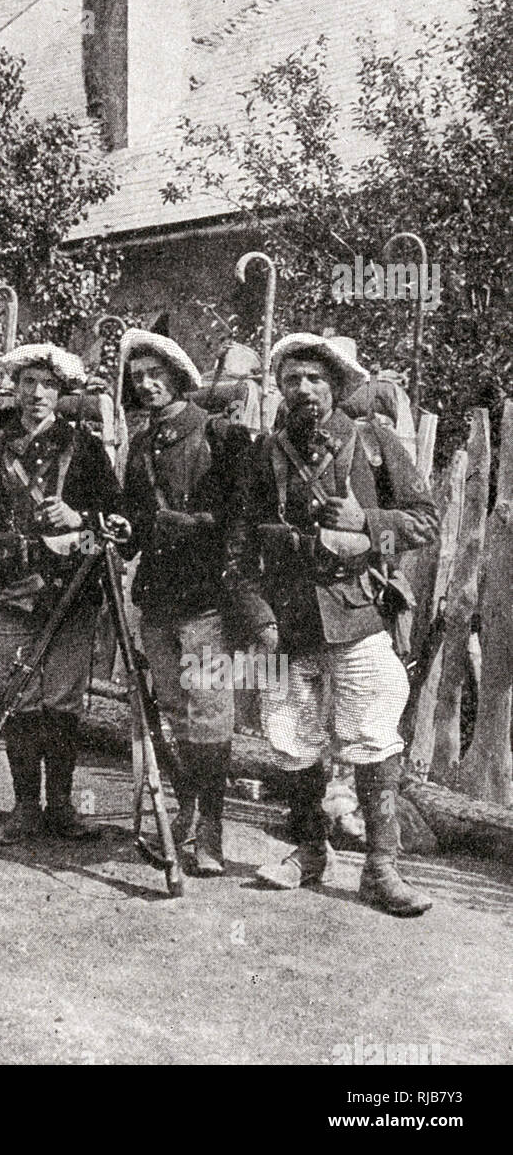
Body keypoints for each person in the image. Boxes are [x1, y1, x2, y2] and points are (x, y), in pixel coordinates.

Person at [239, 333, 438, 916]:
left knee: (374, 735)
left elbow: (424, 523)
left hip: (358, 614)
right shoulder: (265, 455)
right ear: (280, 389)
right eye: (293, 379)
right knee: (292, 739)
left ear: (335, 386)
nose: (304, 389)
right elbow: (239, 547)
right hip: (289, 624)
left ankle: (380, 868)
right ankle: (308, 850)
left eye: (315, 379)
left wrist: (366, 519)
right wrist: (259, 620)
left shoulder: (373, 442)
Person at [0, 343, 122, 844]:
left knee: (63, 702)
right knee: (19, 701)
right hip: (10, 594)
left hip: (69, 595)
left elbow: (116, 528)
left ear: (61, 393)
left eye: (48, 385)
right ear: (15, 387)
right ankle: (25, 807)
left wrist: (80, 521)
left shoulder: (86, 449)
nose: (37, 394)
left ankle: (62, 806)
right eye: (28, 382)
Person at [118, 329, 254, 876]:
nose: (147, 385)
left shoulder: (218, 437)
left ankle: (211, 831)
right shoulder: (142, 444)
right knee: (175, 712)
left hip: (207, 602)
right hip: (158, 600)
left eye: (156, 375)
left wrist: (192, 526)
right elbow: (132, 522)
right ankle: (189, 813)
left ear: (178, 378)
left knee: (210, 714)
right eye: (138, 379)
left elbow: (240, 521)